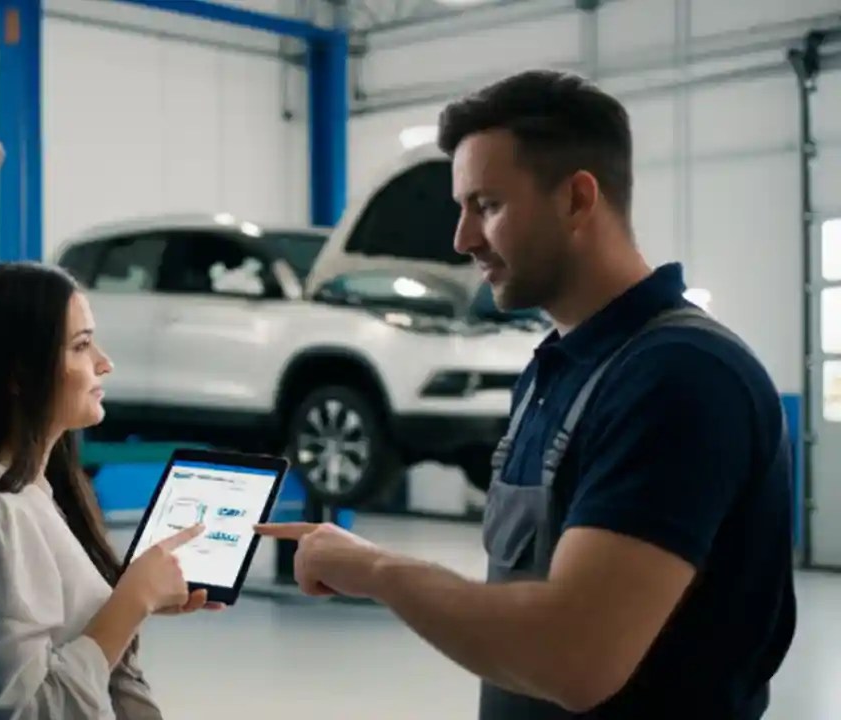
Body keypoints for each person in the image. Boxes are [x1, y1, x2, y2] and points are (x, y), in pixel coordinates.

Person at [258, 69, 797, 719]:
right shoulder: (553, 370)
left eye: (486, 206)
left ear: (576, 200)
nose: (462, 240)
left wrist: (376, 572)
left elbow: (574, 654)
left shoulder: (681, 377)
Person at [0, 262, 223, 720]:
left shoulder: (39, 496)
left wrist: (136, 604)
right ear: (19, 375)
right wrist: (129, 602)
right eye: (81, 346)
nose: (104, 362)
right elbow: (33, 710)